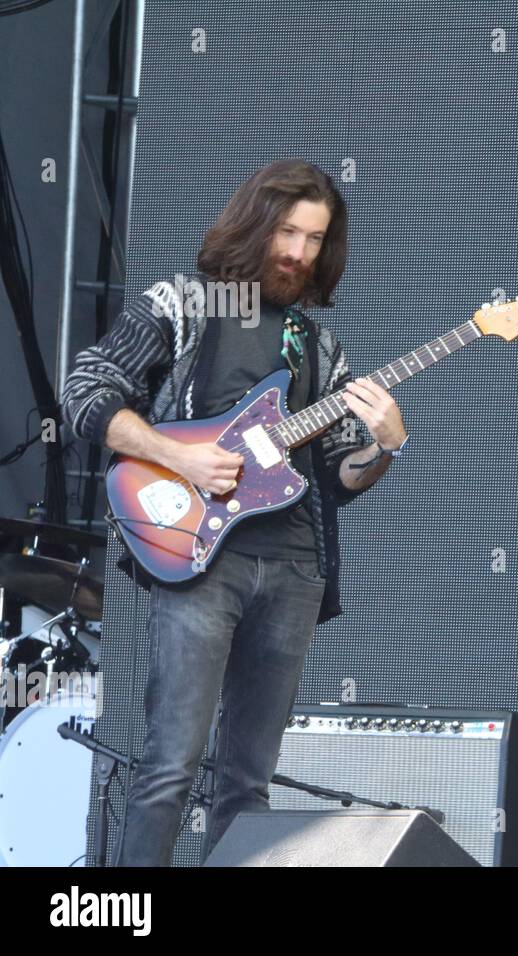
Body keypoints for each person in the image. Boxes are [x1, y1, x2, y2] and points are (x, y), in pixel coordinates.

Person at [61, 159, 411, 866]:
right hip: (200, 562)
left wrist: (388, 447)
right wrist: (179, 456)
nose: (300, 253)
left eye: (315, 240)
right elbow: (86, 392)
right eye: (288, 232)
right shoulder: (184, 303)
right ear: (256, 221)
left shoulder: (318, 346)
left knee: (249, 782)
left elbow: (341, 477)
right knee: (170, 767)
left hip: (292, 571)